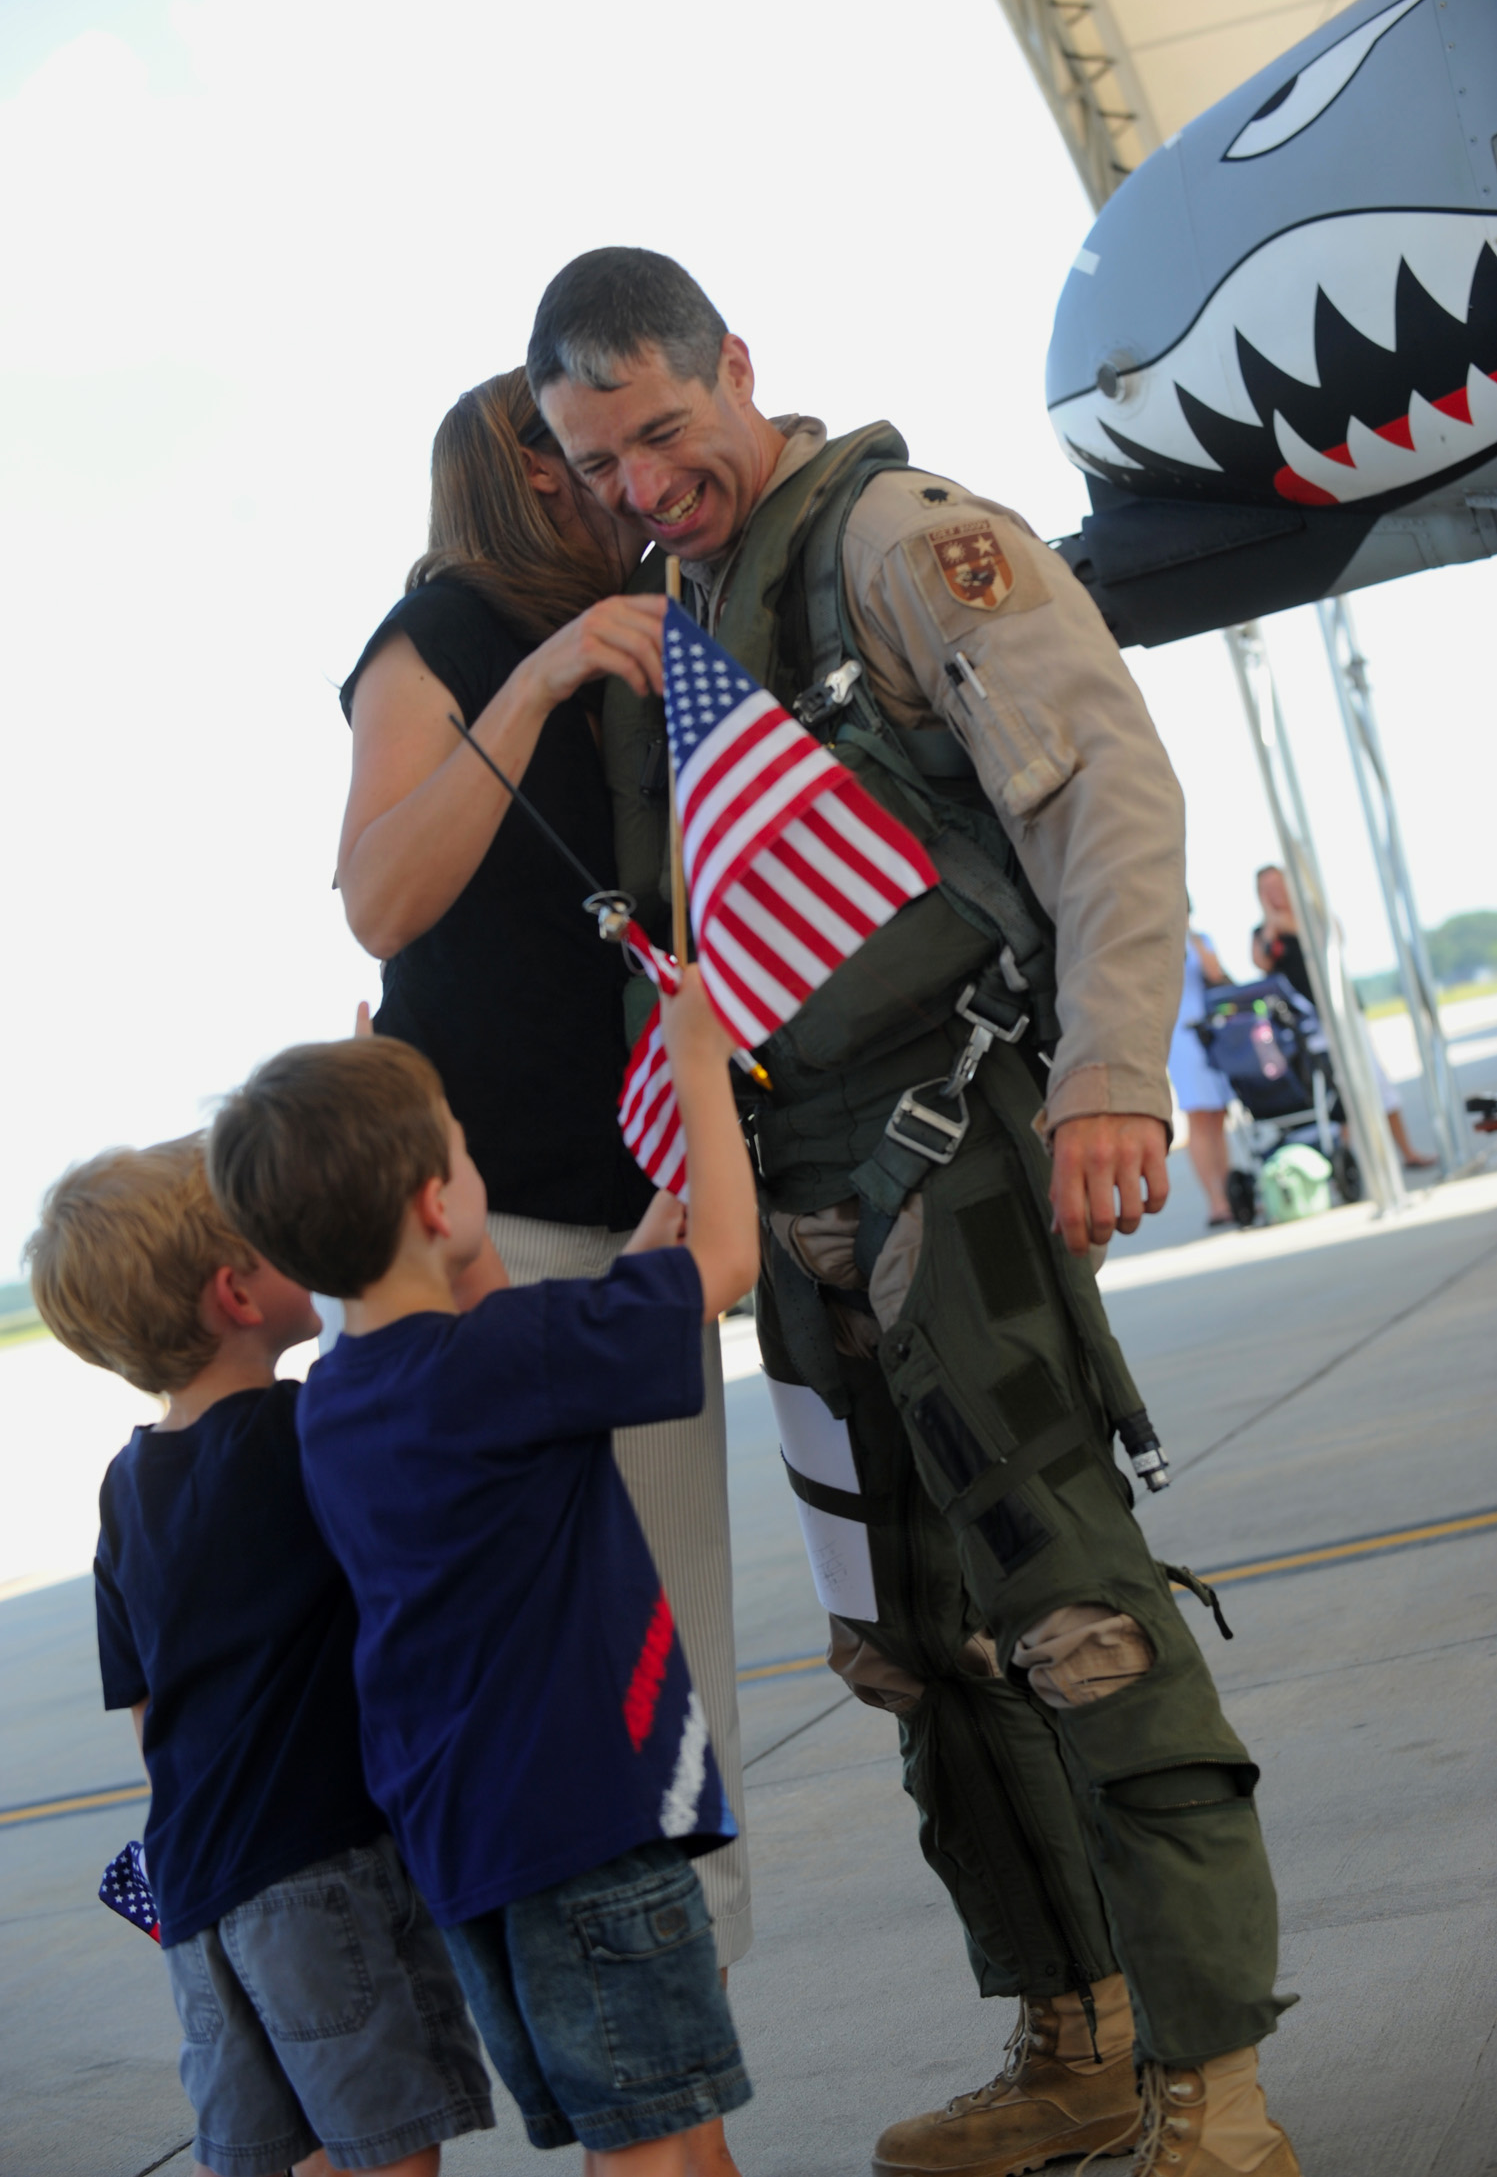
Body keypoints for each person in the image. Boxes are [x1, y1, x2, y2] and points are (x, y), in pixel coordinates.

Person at [528, 248, 1301, 2177]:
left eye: (661, 433)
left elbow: (1102, 786)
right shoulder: (673, 617)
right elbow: (688, 939)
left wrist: (1112, 1073)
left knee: (1074, 1611)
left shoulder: (897, 541)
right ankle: (1075, 2032)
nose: (641, 487)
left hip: (954, 1148)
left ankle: (1211, 2084)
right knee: (908, 1639)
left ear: (737, 365)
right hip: (790, 1193)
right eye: (598, 465)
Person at [333, 369, 755, 2032]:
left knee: (672, 1634)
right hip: (483, 1229)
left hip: (631, 1203)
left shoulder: (662, 615)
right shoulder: (436, 635)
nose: (619, 482)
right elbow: (379, 899)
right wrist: (534, 680)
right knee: (519, 1646)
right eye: (583, 457)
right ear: (520, 469)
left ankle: (684, 2016)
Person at [206, 972, 760, 2177]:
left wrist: (378, 1093)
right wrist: (699, 1067)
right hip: (595, 1825)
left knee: (649, 2132)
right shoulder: (513, 1358)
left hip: (473, 1850)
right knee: (656, 2147)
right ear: (434, 1199)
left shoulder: (339, 1401)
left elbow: (489, 1327)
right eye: (461, 1146)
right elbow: (727, 1259)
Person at [23, 1137, 493, 2177]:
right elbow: (444, 1378)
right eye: (278, 1234)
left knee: (288, 2151)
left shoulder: (125, 1488)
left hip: (195, 1889)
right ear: (237, 1293)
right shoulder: (306, 1430)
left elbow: (148, 1713)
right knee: (389, 2154)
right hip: (322, 1870)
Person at [1253, 862, 1436, 1170]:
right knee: (1336, 1092)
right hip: (1308, 1024)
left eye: (1277, 885)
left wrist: (1290, 920)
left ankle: (1406, 1151)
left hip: (1343, 1012)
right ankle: (1351, 1165)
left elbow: (1334, 937)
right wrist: (1271, 925)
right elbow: (1262, 962)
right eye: (1266, 889)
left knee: (1376, 1079)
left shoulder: (1312, 914)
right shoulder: (1263, 932)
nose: (1274, 893)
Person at [1168, 910, 1235, 1227]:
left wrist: (1190, 934)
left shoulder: (1198, 940)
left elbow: (1215, 974)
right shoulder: (1157, 940)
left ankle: (1229, 1192)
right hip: (1180, 1036)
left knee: (1218, 1115)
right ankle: (1215, 1200)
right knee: (1199, 1116)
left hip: (1209, 1032)